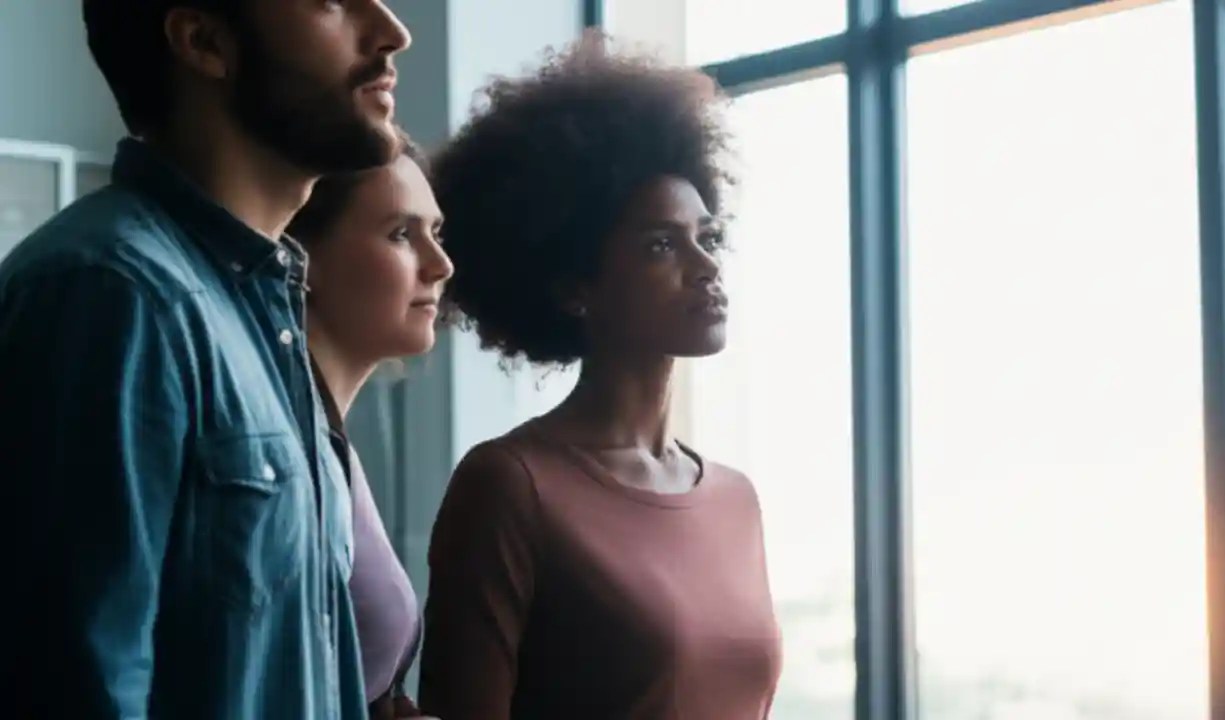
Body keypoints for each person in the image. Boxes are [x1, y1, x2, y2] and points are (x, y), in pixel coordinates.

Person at [0, 1, 410, 717]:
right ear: (205, 42)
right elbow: (76, 686)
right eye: (332, 2)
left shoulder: (267, 308)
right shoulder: (112, 294)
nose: (392, 32)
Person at [417, 35, 783, 719]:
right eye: (660, 245)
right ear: (573, 286)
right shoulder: (511, 487)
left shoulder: (736, 499)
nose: (706, 266)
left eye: (708, 236)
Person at [286, 130, 453, 720]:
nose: (440, 265)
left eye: (437, 234)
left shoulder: (329, 442)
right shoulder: (284, 445)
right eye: (401, 234)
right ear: (302, 257)